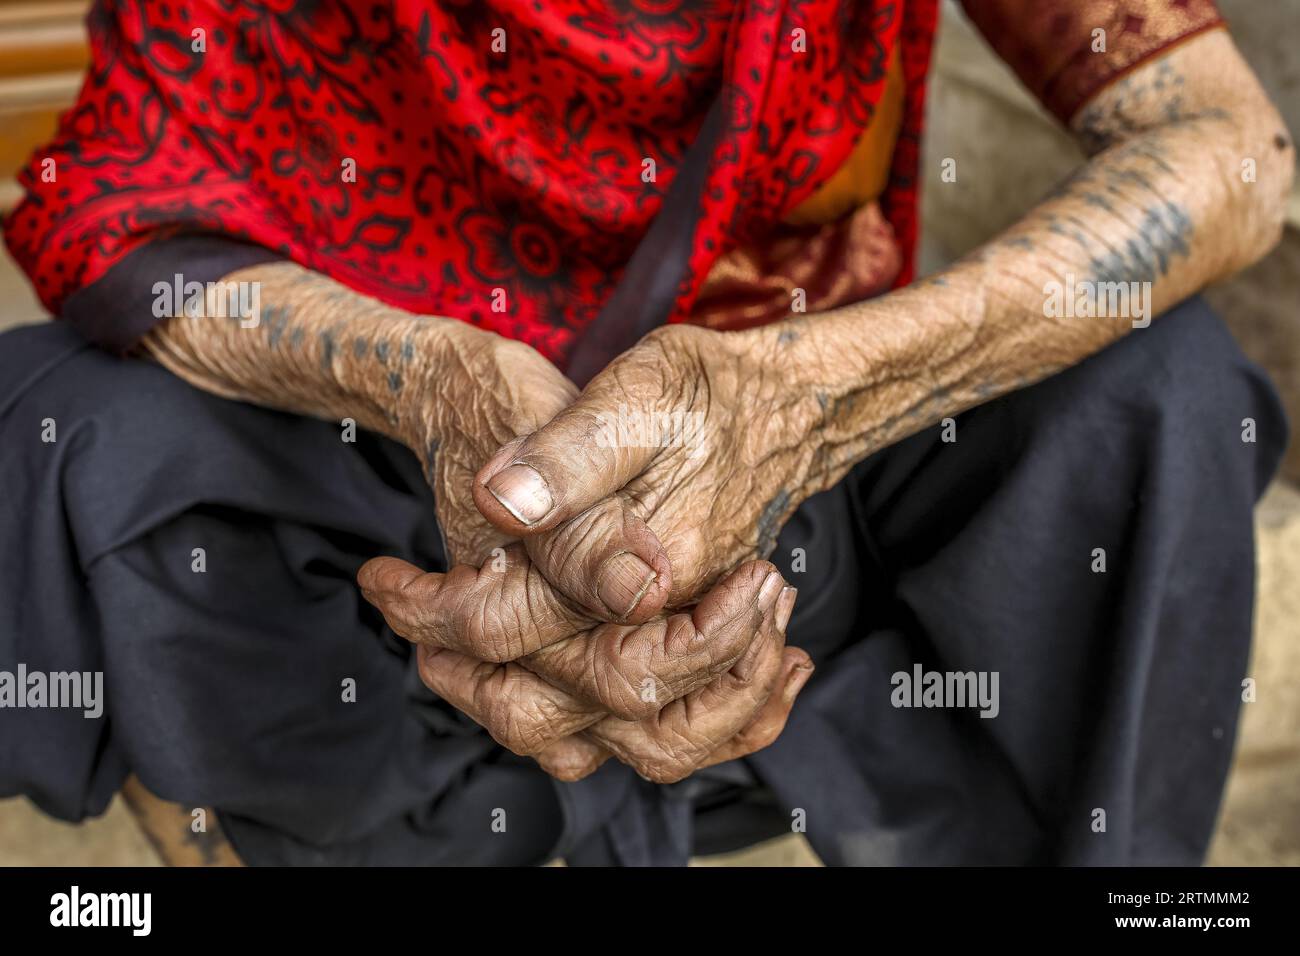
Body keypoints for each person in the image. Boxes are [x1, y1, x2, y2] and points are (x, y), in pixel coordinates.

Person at [0, 0, 1291, 866]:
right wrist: (433, 383)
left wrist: (812, 391)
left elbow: (1228, 146)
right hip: (376, 485)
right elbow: (116, 211)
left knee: (1160, 378)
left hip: (810, 475)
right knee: (67, 416)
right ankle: (318, 810)